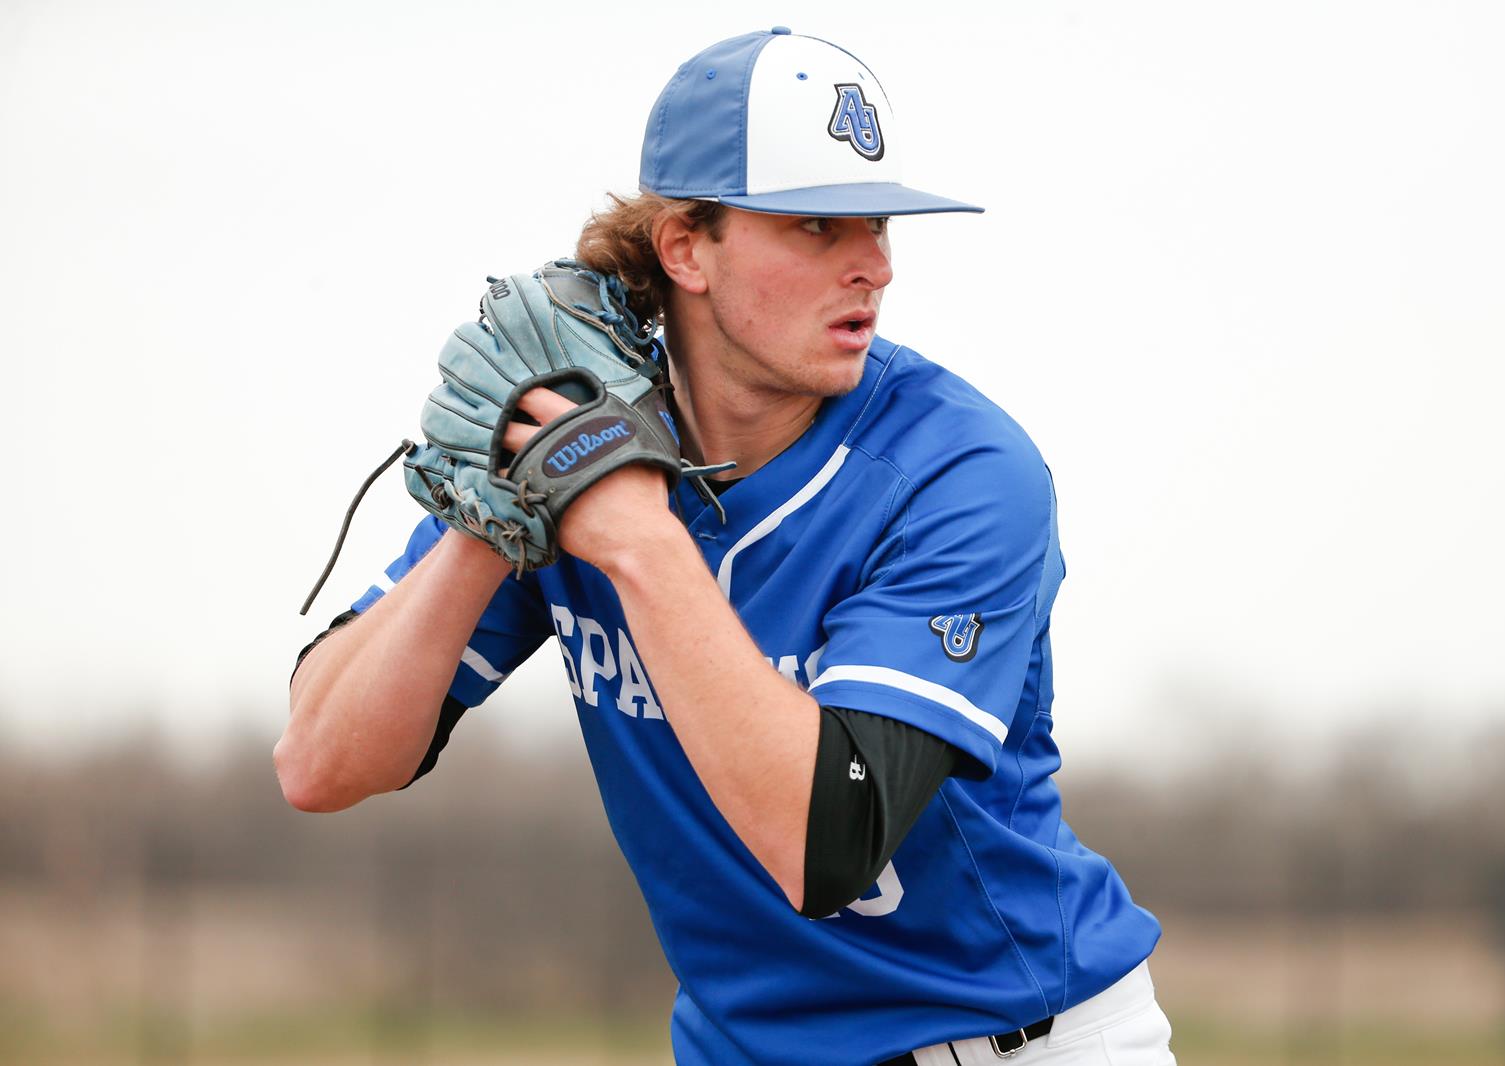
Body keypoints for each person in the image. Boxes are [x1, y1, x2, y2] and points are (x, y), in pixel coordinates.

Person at [277, 27, 1174, 1066]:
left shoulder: (959, 472)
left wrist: (635, 539)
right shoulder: (588, 442)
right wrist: (492, 522)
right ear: (684, 247)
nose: (873, 265)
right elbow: (318, 762)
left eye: (877, 222)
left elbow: (823, 843)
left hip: (1011, 1040)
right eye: (816, 224)